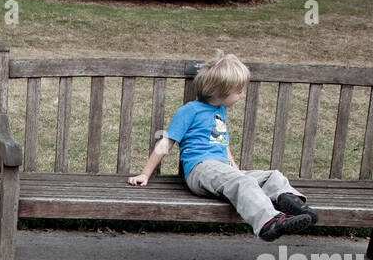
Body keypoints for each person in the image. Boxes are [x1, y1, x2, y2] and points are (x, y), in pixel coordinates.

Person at [128, 50, 318, 241]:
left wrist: (236, 170)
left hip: (222, 170)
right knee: (243, 182)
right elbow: (165, 142)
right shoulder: (189, 111)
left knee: (272, 176)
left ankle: (292, 202)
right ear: (221, 92)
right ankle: (269, 223)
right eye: (239, 91)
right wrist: (145, 174)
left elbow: (222, 144)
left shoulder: (220, 111)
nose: (241, 95)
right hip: (201, 170)